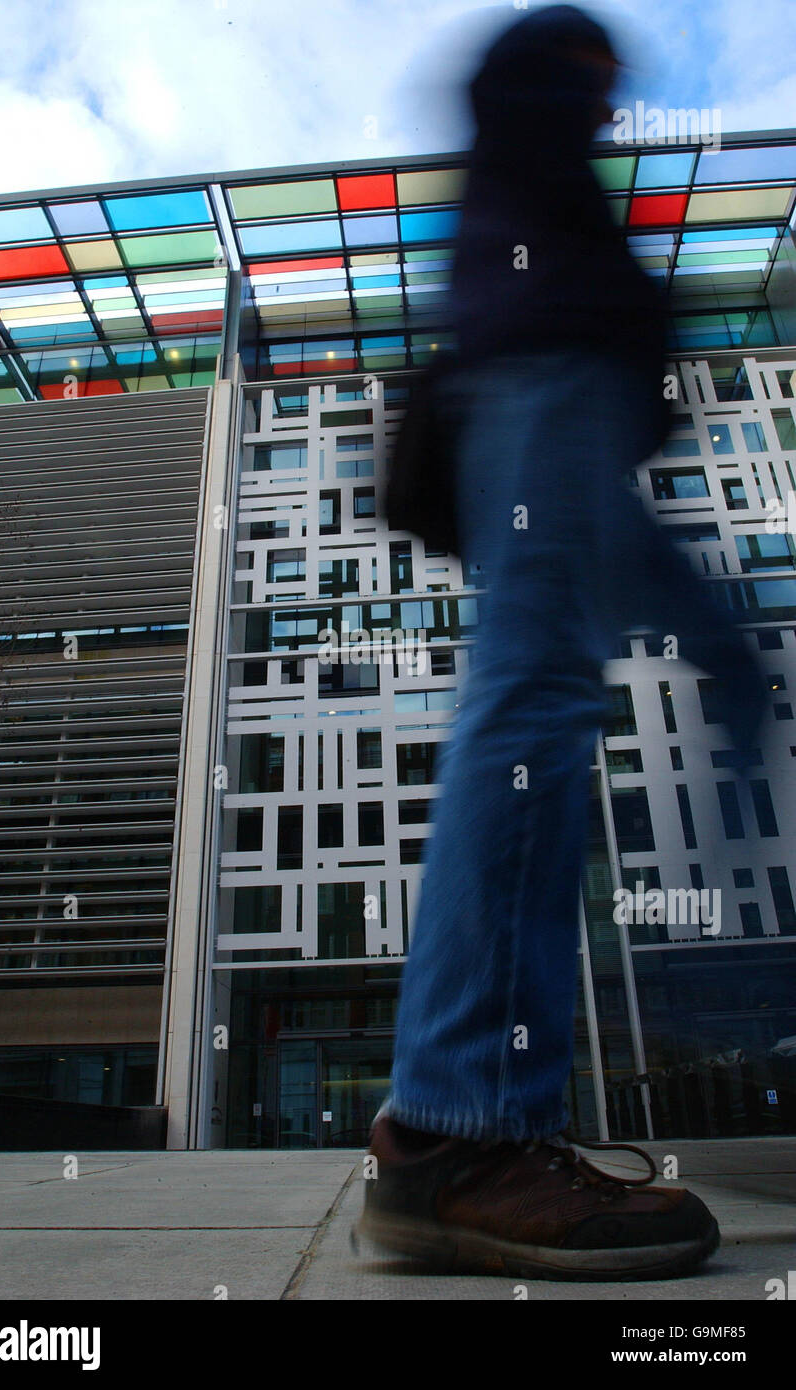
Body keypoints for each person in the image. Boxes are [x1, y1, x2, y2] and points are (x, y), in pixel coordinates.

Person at [355, 4, 769, 1280]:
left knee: (626, 683)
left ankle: (465, 1125)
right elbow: (524, 104)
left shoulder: (543, 172)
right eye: (598, 82)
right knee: (534, 709)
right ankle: (459, 1133)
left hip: (565, 405)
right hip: (544, 389)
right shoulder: (531, 122)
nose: (610, 103)